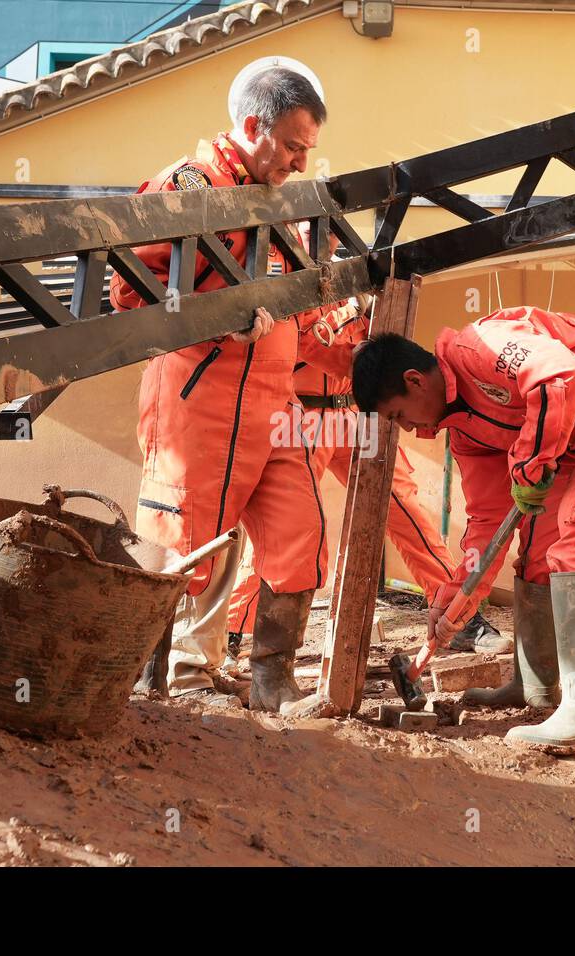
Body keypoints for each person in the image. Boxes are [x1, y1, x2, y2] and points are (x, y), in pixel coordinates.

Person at [108, 66, 347, 713]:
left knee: (299, 528)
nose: (301, 162)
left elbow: (298, 311)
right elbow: (128, 291)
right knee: (186, 540)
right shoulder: (189, 187)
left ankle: (272, 679)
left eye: (308, 150)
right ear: (251, 128)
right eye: (294, 146)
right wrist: (222, 311)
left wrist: (360, 361)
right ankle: (164, 679)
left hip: (273, 402)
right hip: (198, 397)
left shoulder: (284, 212)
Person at [351, 306, 575, 751]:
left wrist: (532, 461)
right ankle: (537, 685)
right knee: (537, 553)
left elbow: (560, 375)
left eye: (399, 415)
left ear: (415, 380)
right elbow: (487, 526)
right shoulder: (464, 433)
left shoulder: (479, 344)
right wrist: (455, 602)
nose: (409, 429)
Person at [223, 299, 510, 662]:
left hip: (358, 415)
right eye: (317, 239)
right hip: (305, 414)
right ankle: (237, 626)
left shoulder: (367, 281)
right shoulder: (297, 286)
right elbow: (304, 342)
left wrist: (371, 306)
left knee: (407, 510)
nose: (324, 243)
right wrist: (351, 317)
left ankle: (459, 616)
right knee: (284, 525)